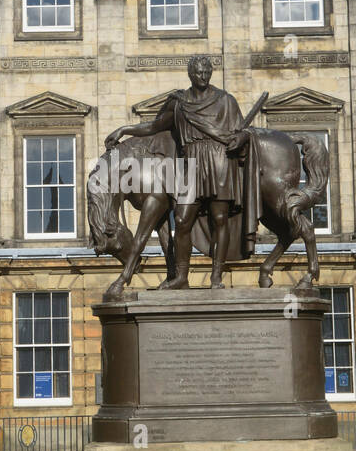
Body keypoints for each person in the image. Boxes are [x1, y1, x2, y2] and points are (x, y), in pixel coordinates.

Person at [105, 55, 254, 289]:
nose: (203, 76)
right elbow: (154, 126)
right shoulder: (180, 103)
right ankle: (182, 277)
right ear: (190, 74)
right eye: (198, 73)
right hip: (191, 163)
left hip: (219, 162)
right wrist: (124, 129)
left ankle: (216, 277)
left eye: (207, 72)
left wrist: (242, 137)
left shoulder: (226, 101)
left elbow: (244, 131)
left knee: (219, 219)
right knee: (183, 220)